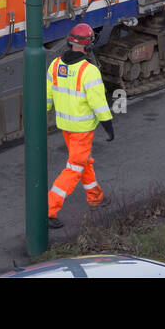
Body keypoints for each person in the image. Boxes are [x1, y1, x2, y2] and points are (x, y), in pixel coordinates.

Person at [46, 23, 114, 229]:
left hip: (65, 125)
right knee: (74, 168)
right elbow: (98, 103)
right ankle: (48, 210)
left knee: (83, 161)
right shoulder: (89, 71)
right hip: (82, 129)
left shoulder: (55, 64)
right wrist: (108, 125)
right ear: (89, 45)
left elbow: (47, 96)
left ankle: (96, 197)